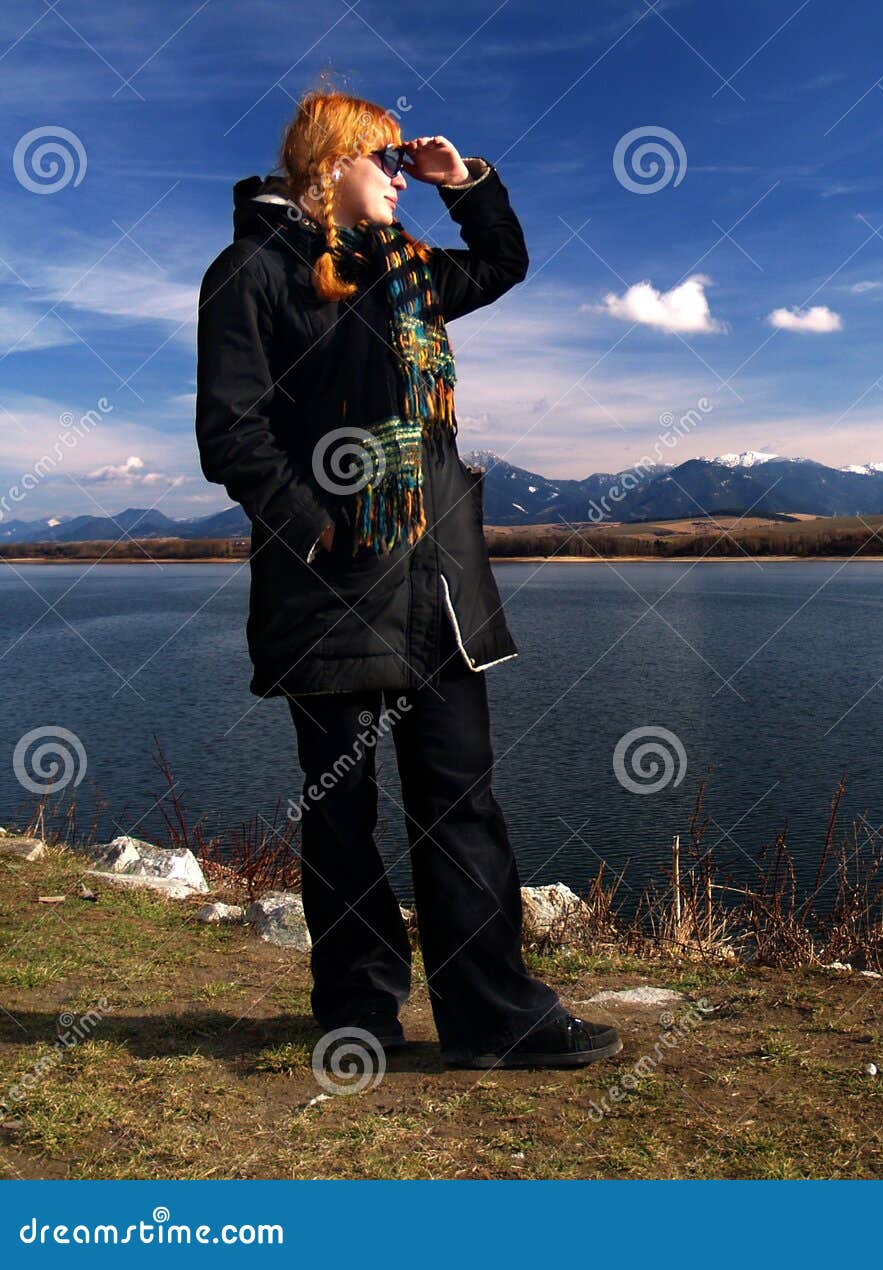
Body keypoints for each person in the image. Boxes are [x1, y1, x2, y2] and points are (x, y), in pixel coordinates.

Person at [194, 85, 620, 1070]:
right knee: (342, 816)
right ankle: (358, 1013)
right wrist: (320, 536)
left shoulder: (409, 272)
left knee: (461, 802)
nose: (395, 174)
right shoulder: (251, 271)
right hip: (331, 591)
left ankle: (495, 1017)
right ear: (323, 167)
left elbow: (504, 262)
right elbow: (233, 435)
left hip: (438, 589)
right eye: (379, 158)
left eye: (396, 160)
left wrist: (462, 181)